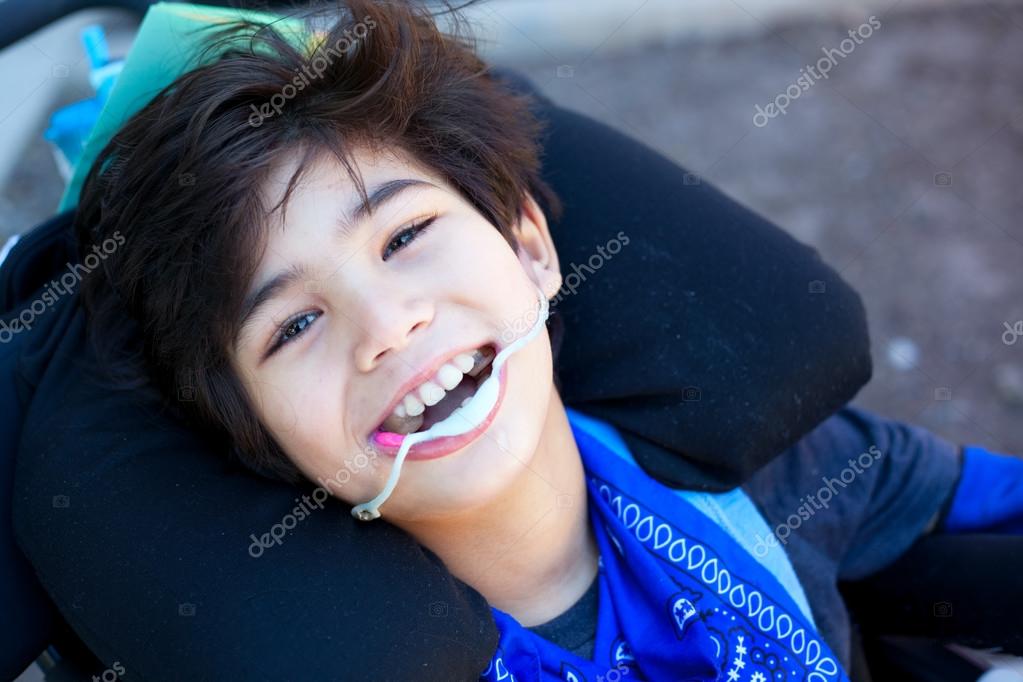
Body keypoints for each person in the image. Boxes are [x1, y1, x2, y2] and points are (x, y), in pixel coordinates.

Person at [71, 1, 1021, 679]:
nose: (388, 325)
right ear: (262, 441)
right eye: (294, 325)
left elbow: (968, 497)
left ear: (529, 246)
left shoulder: (772, 471)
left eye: (403, 236)